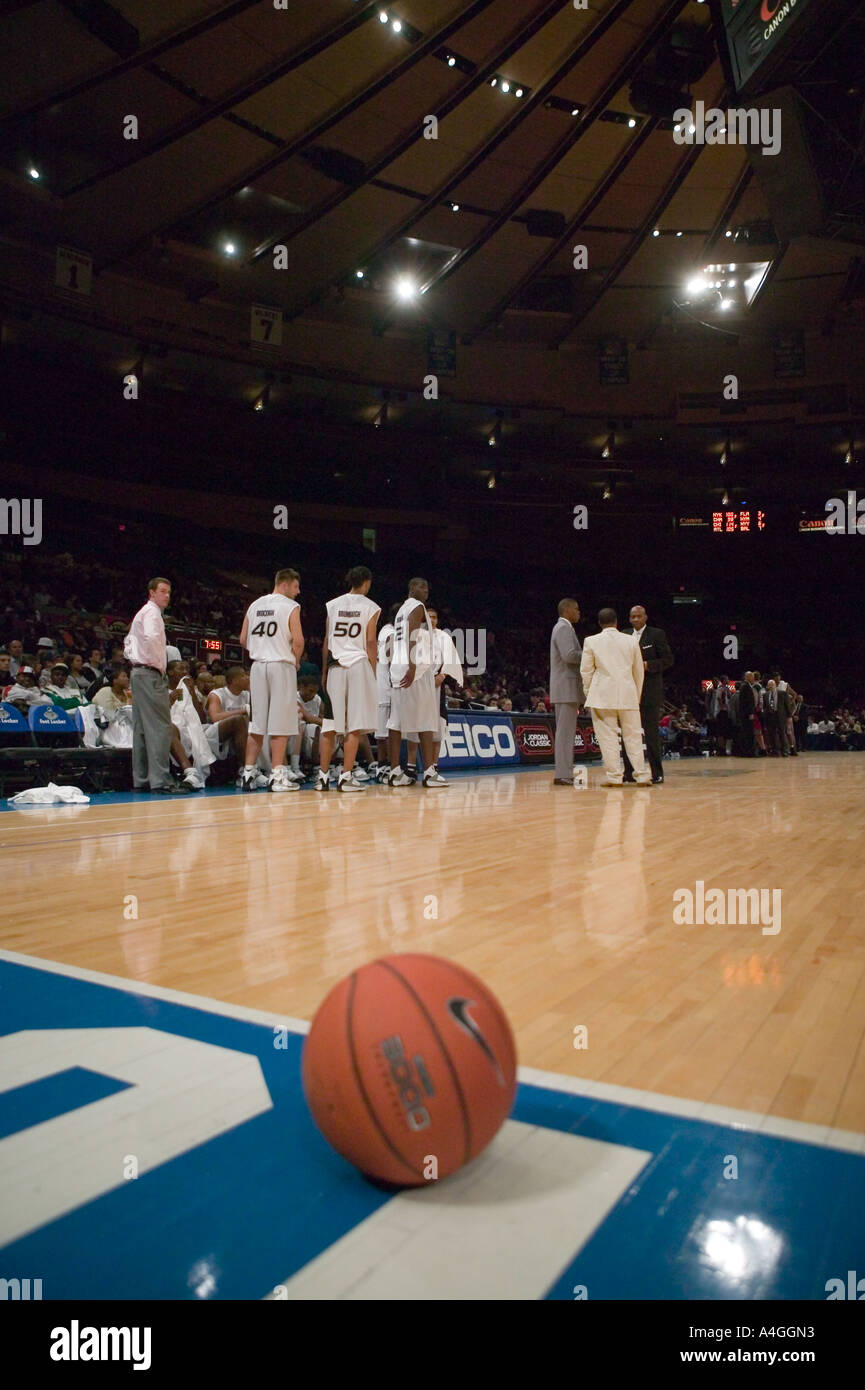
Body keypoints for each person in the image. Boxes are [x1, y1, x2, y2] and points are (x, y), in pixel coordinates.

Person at [238, 568, 304, 792]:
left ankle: (248, 773)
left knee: (257, 724)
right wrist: (295, 660)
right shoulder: (290, 606)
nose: (298, 592)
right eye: (295, 587)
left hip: (258, 666)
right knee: (280, 723)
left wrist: (261, 648)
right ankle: (277, 775)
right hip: (280, 665)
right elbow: (298, 641)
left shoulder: (255, 605)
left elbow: (243, 638)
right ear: (284, 585)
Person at [124, 577, 192, 794]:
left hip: (138, 672)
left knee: (142, 729)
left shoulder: (142, 613)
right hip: (150, 672)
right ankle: (161, 781)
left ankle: (142, 780)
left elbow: (129, 643)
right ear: (151, 592)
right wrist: (159, 666)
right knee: (160, 727)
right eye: (162, 591)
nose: (166, 595)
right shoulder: (152, 613)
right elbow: (153, 639)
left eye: (169, 592)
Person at [316, 567, 380, 793]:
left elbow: (327, 640)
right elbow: (371, 642)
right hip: (358, 666)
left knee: (330, 724)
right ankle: (345, 776)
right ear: (367, 582)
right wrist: (373, 671)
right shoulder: (371, 606)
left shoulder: (332, 605)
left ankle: (322, 777)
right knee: (354, 725)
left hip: (335, 666)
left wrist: (324, 671)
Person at [580, 608, 652, 786]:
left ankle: (615, 777)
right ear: (617, 622)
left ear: (599, 623)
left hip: (602, 695)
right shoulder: (631, 641)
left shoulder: (591, 641)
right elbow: (638, 672)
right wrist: (637, 695)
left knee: (607, 738)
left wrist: (590, 694)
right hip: (628, 694)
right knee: (634, 736)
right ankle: (642, 775)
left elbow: (586, 671)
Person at [387, 578, 447, 788]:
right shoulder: (417, 606)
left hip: (397, 668)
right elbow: (413, 634)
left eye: (428, 588)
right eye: (423, 587)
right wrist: (413, 666)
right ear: (412, 588)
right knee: (427, 721)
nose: (426, 591)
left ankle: (395, 772)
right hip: (416, 671)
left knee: (395, 723)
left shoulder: (401, 609)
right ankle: (430, 773)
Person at [622, 605, 673, 785]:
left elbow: (668, 659)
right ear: (629, 618)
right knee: (628, 733)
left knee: (651, 734)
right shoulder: (624, 634)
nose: (636, 619)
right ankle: (628, 772)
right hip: (628, 692)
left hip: (650, 692)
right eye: (633, 616)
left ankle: (657, 772)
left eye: (639, 616)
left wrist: (647, 665)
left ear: (645, 617)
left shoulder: (656, 634)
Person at [549, 598, 584, 786]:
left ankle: (565, 772)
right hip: (566, 688)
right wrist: (590, 652)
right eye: (577, 609)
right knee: (565, 734)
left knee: (566, 733)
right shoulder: (563, 628)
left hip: (565, 688)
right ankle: (563, 773)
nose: (579, 612)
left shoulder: (564, 628)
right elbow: (569, 655)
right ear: (567, 610)